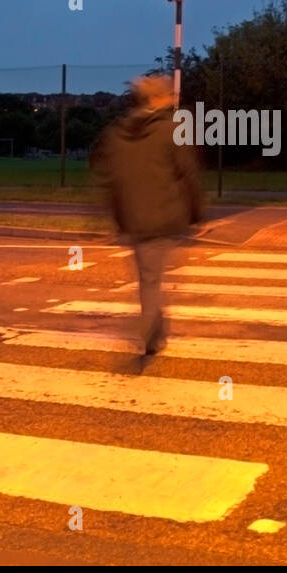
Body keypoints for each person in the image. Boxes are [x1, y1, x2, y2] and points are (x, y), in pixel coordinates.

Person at [90, 74, 203, 365]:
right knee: (154, 278)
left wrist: (119, 221)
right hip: (166, 216)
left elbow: (112, 180)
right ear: (156, 99)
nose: (172, 99)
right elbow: (189, 174)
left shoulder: (118, 133)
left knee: (148, 278)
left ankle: (153, 326)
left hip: (135, 219)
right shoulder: (172, 130)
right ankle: (150, 331)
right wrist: (195, 214)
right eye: (168, 94)